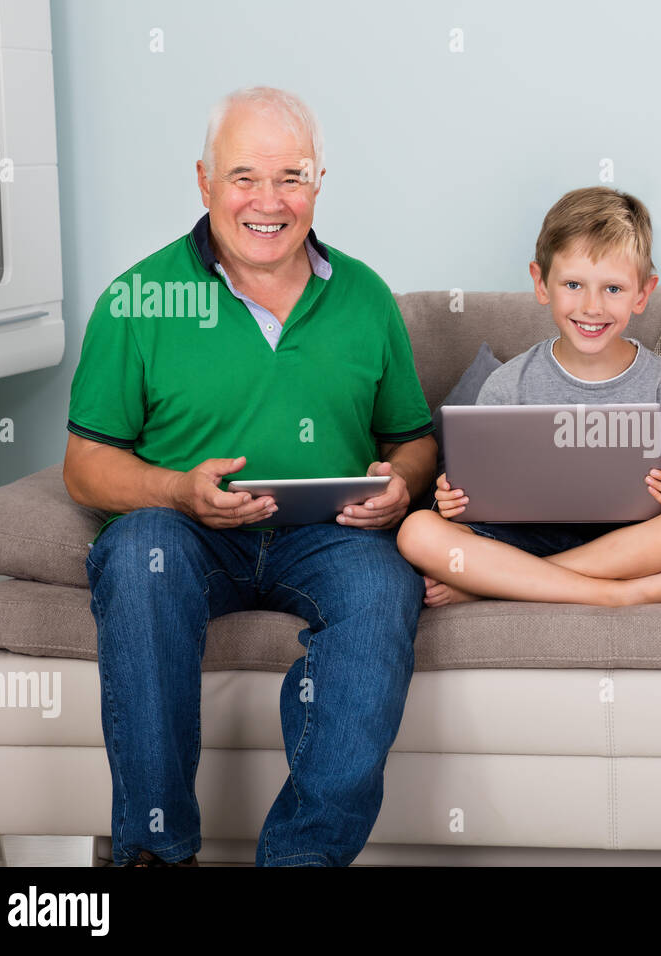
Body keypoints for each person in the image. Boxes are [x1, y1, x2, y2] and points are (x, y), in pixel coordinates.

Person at [63, 87, 437, 866]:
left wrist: (400, 482)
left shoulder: (364, 295)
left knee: (384, 587)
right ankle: (155, 854)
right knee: (138, 557)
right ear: (203, 182)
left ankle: (301, 859)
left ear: (319, 184)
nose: (269, 201)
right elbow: (85, 466)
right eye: (244, 177)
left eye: (292, 177)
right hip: (185, 533)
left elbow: (413, 441)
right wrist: (175, 490)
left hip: (326, 537)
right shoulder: (138, 298)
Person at [397, 187, 661, 607]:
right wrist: (454, 499)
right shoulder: (507, 384)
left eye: (613, 289)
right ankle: (615, 594)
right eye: (573, 284)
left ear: (643, 293)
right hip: (519, 538)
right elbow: (473, 500)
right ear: (541, 283)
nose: (592, 306)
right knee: (418, 532)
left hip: (623, 541)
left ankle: (505, 584)